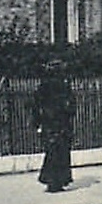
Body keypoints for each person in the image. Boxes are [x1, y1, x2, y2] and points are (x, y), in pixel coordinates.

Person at [34, 64, 74, 192]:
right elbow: (71, 106)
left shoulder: (43, 86)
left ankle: (52, 181)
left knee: (52, 152)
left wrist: (37, 122)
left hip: (49, 123)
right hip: (61, 123)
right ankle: (59, 181)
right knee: (61, 152)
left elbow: (36, 106)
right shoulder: (64, 86)